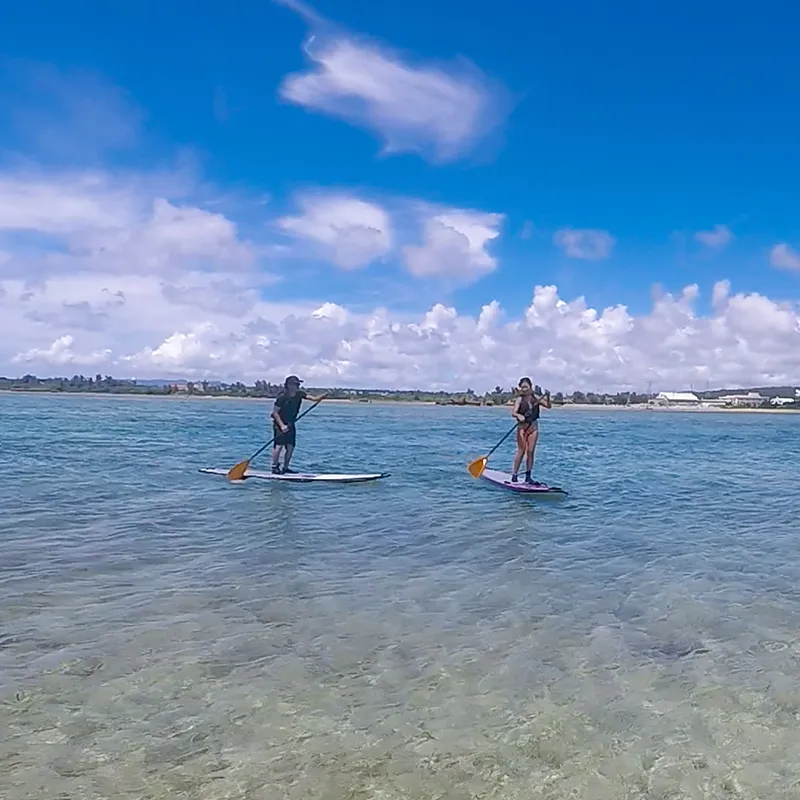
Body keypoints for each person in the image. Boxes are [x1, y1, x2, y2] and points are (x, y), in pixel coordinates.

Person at [270, 375, 327, 474]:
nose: (297, 386)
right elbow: (275, 413)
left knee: (290, 446)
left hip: (291, 423)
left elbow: (313, 398)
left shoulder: (299, 394)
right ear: (289, 385)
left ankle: (285, 468)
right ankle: (275, 467)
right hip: (279, 423)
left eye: (298, 384)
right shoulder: (282, 396)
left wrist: (322, 397)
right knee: (279, 446)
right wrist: (282, 426)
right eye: (296, 384)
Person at [510, 377, 551, 484]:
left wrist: (548, 396)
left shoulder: (536, 398)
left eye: (526, 387)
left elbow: (548, 406)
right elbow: (513, 412)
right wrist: (519, 415)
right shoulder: (519, 399)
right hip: (522, 428)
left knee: (530, 451)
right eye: (522, 387)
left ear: (530, 387)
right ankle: (514, 474)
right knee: (521, 450)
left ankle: (528, 476)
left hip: (533, 427)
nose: (524, 389)